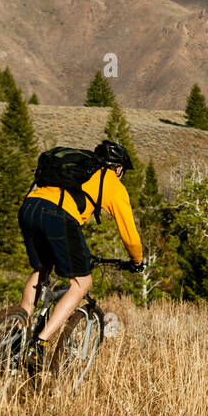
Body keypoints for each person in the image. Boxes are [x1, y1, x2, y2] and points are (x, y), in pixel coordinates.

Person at [16, 140, 143, 365]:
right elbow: (130, 235)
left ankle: (18, 330)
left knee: (43, 267)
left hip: (29, 207)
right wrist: (136, 260)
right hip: (58, 215)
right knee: (81, 283)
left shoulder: (78, 169)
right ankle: (38, 344)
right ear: (119, 168)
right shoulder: (112, 182)